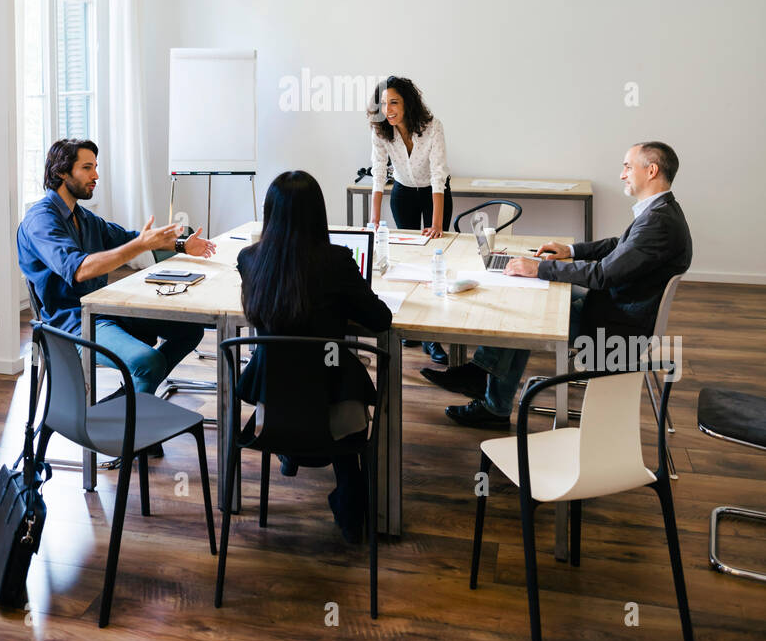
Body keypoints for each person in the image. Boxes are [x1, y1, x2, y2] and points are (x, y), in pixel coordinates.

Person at [433, 142, 692, 428]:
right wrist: (571, 250)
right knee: (529, 303)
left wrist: (539, 268)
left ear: (651, 170)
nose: (622, 174)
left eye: (628, 166)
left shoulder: (659, 223)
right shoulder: (662, 211)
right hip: (616, 308)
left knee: (526, 313)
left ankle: (489, 397)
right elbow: (618, 246)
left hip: (616, 325)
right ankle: (482, 379)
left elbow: (603, 275)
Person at [18, 138, 216, 453]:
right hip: (70, 323)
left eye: (95, 167)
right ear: (61, 172)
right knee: (147, 362)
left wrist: (181, 245)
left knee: (189, 329)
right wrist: (139, 246)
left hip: (102, 310)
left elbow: (126, 238)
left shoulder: (82, 217)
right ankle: (131, 436)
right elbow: (79, 269)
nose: (95, 175)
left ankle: (131, 401)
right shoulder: (41, 219)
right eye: (87, 167)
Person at [238, 170, 392, 544]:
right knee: (332, 377)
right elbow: (381, 319)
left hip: (271, 404)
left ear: (269, 213)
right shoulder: (337, 261)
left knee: (306, 377)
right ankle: (352, 508)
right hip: (331, 400)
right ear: (318, 215)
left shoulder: (248, 259)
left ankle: (291, 450)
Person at [367, 76, 452, 365]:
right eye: (383, 104)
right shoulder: (380, 131)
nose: (388, 109)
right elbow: (378, 170)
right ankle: (411, 327)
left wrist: (437, 222)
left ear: (407, 103)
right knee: (407, 258)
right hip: (402, 191)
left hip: (433, 192)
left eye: (394, 102)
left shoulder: (431, 127)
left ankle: (433, 337)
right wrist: (374, 216)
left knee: (433, 258)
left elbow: (439, 173)